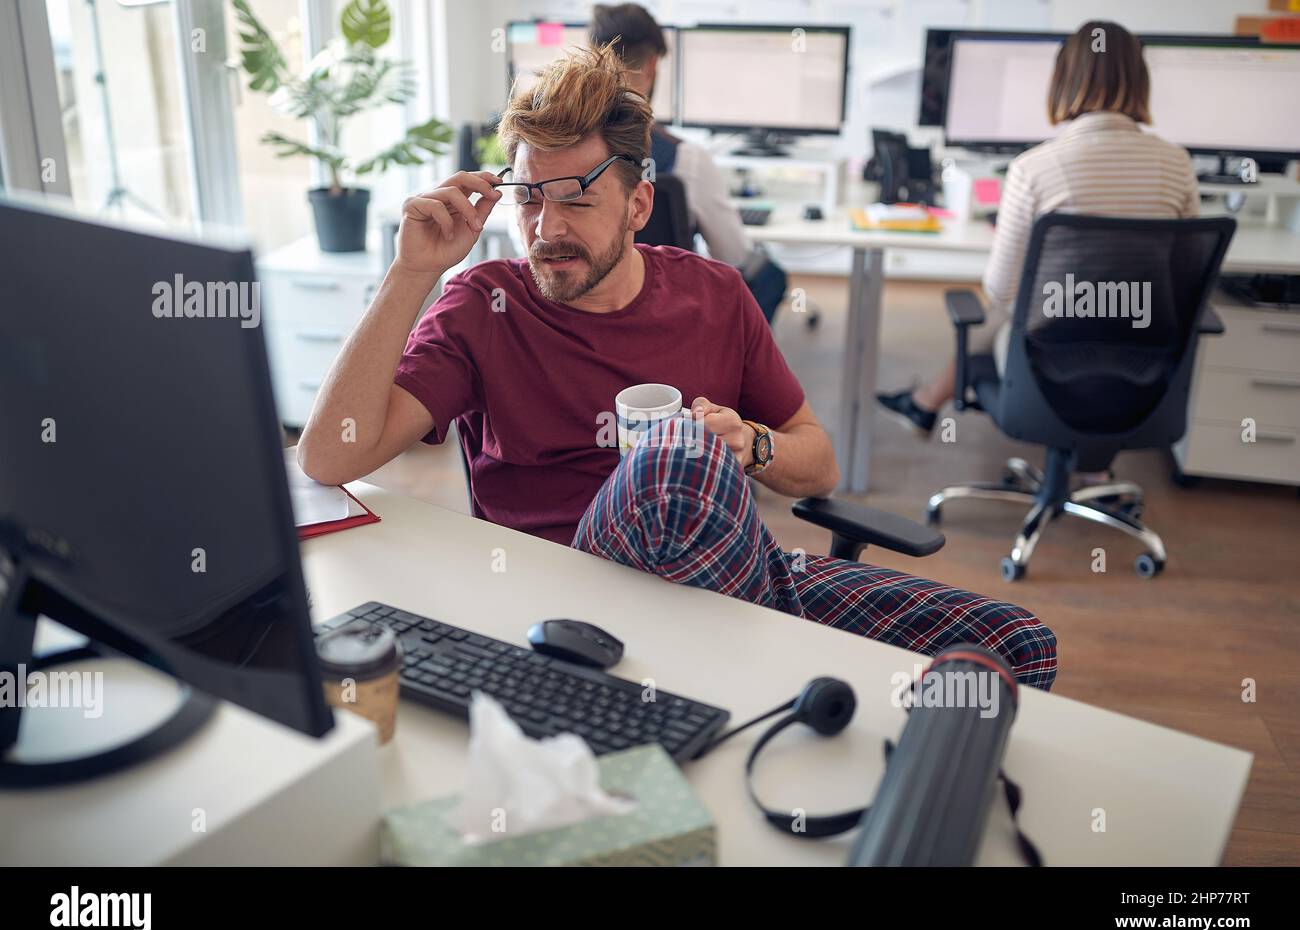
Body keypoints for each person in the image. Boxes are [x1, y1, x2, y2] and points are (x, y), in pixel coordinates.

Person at [296, 45, 1057, 689]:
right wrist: (409, 274)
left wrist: (751, 445)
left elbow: (817, 465)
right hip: (567, 600)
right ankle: (776, 660)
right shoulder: (481, 305)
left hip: (735, 575)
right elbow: (330, 456)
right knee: (675, 464)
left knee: (1015, 644)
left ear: (637, 205)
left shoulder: (715, 294)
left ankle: (780, 674)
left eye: (576, 201)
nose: (547, 228)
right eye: (529, 199)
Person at [877, 20, 1201, 439]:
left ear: (1063, 80)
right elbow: (1188, 277)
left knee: (1002, 311)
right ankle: (1092, 468)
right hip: (1144, 355)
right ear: (1141, 81)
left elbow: (1000, 289)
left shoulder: (1034, 168)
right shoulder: (1177, 164)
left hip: (1048, 359)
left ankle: (925, 403)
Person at [588, 2, 753, 269]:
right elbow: (734, 255)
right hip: (667, 307)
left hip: (576, 306)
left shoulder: (557, 155)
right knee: (769, 275)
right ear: (651, 66)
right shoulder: (687, 158)